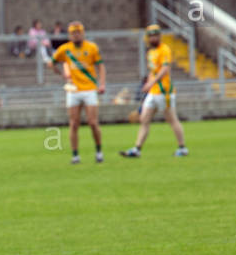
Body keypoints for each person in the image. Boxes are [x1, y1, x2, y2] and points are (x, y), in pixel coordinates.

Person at [120, 25, 188, 158]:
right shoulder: (150, 52)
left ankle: (182, 147)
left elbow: (164, 70)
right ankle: (137, 149)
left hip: (164, 91)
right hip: (153, 91)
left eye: (155, 35)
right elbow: (153, 71)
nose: (153, 38)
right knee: (144, 119)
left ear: (159, 36)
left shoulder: (164, 50)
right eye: (151, 36)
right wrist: (147, 84)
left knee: (172, 119)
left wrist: (151, 82)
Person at [50, 21, 106, 164]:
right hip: (73, 90)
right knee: (74, 123)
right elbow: (51, 62)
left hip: (89, 89)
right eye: (73, 33)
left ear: (83, 33)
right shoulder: (65, 49)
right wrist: (61, 74)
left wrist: (102, 83)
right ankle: (75, 155)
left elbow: (101, 66)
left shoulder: (92, 47)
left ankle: (99, 151)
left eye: (78, 32)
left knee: (92, 122)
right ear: (69, 35)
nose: (76, 35)